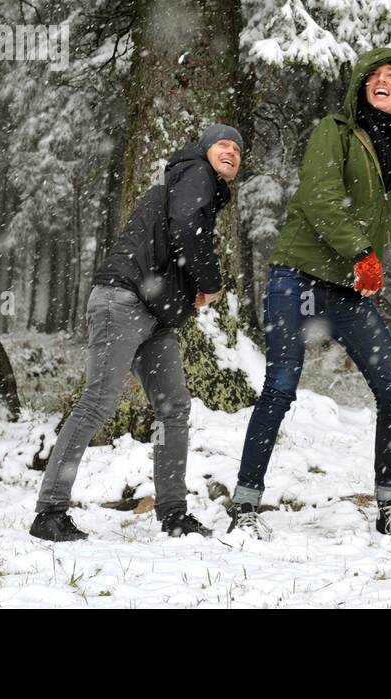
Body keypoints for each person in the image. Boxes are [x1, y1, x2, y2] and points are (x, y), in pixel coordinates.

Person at [227, 49, 391, 541]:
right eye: (374, 76)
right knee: (280, 385)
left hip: (348, 291)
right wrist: (362, 252)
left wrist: (365, 264)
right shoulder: (334, 132)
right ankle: (245, 503)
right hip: (297, 276)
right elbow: (321, 198)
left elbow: (384, 217)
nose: (382, 82)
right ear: (362, 87)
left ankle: (389, 507)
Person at [31, 124, 243, 541]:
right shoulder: (196, 174)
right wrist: (210, 282)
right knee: (97, 402)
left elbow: (172, 243)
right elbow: (185, 226)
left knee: (173, 408)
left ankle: (173, 513)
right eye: (223, 144)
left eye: (238, 149)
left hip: (153, 315)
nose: (231, 152)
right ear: (204, 149)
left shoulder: (192, 185)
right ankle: (49, 513)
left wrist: (184, 294)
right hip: (122, 301)